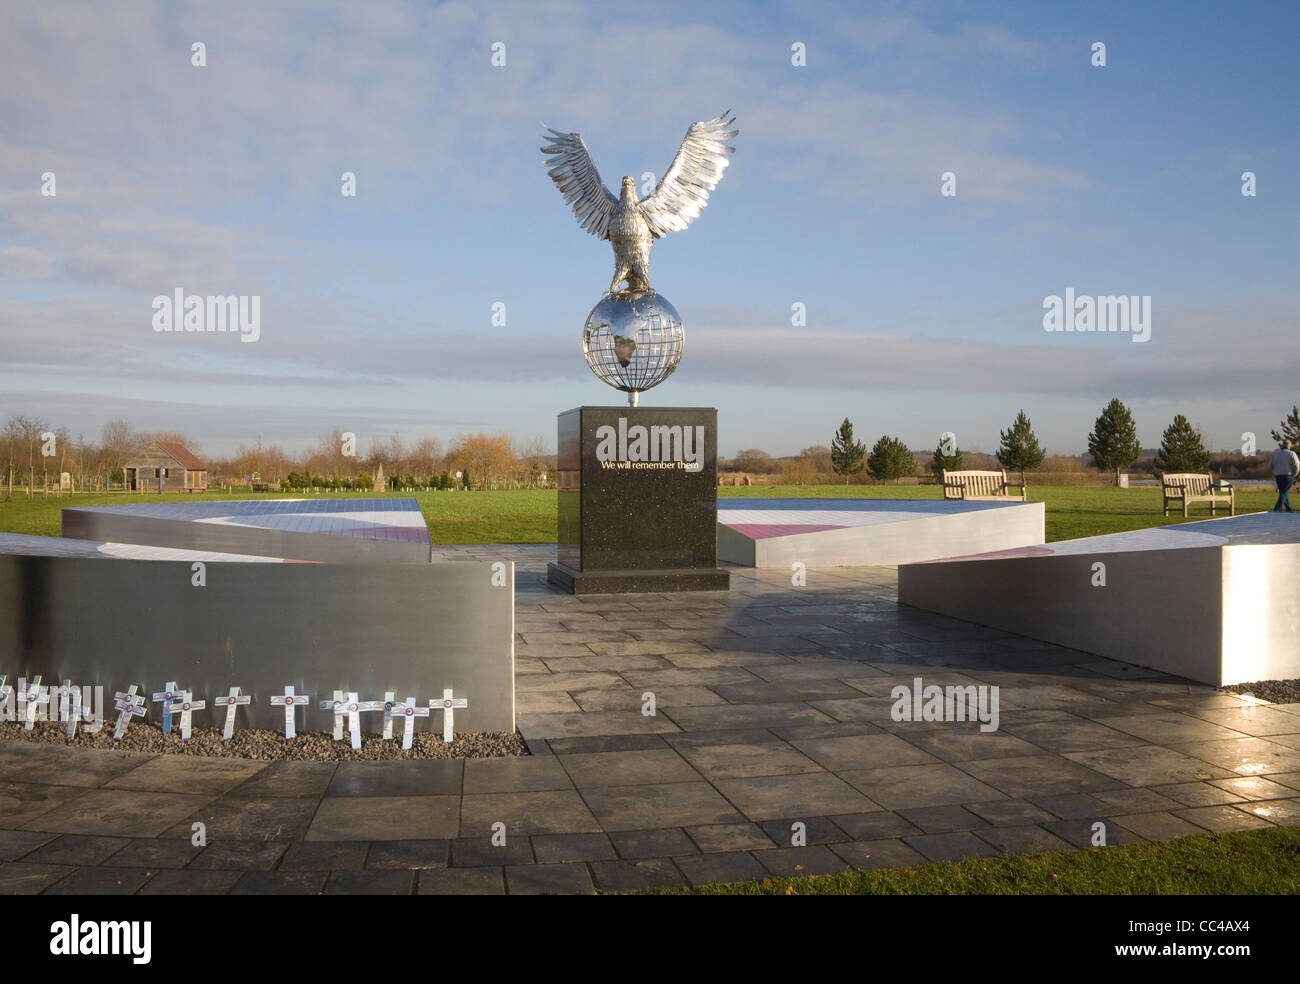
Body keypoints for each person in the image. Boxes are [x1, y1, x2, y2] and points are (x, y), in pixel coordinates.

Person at [1271, 438, 1300, 512]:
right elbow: (1297, 465)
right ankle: (1277, 509)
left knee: (1282, 492)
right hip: (1288, 475)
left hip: (1278, 476)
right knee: (1284, 493)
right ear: (1289, 446)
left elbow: (1271, 465)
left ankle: (1289, 509)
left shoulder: (1275, 453)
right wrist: (1294, 474)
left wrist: (1275, 472)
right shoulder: (1291, 453)